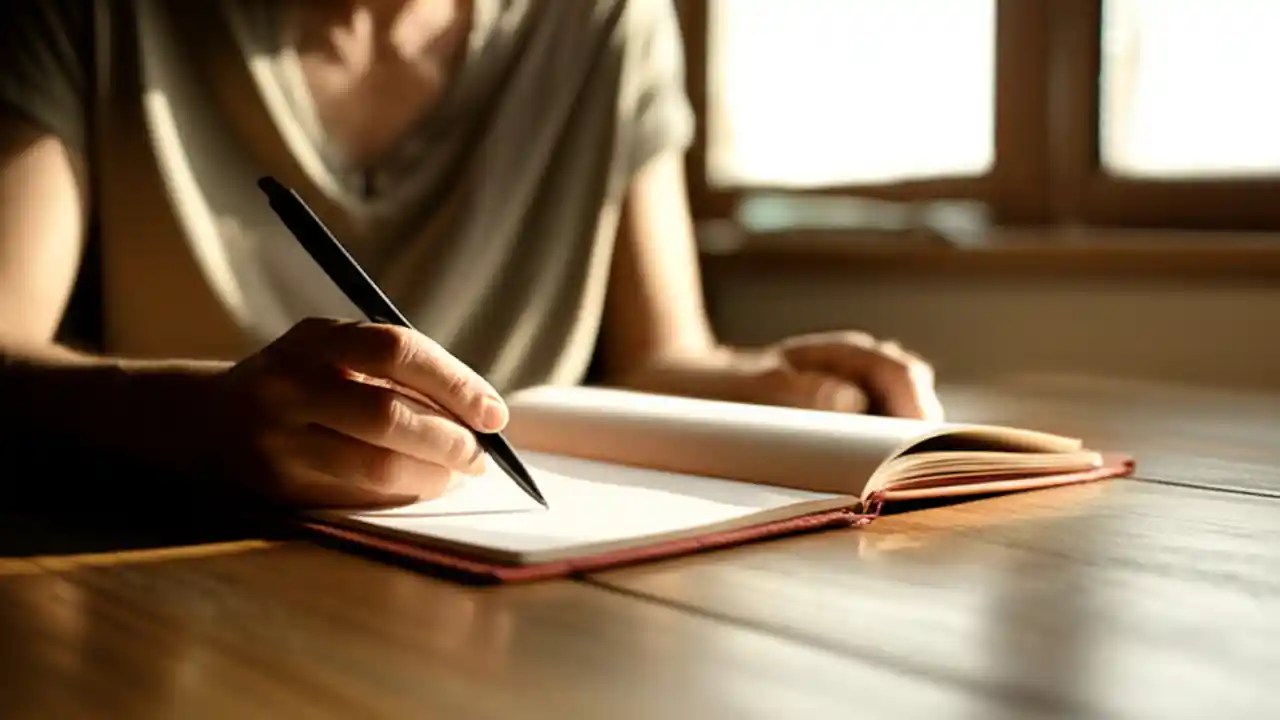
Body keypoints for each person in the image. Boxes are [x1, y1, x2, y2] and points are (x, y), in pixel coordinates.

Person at [0, 0, 942, 508]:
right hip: (184, 569)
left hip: (529, 595)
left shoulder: (605, 21)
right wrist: (194, 421)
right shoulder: (93, 18)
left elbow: (663, 354)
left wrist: (778, 385)